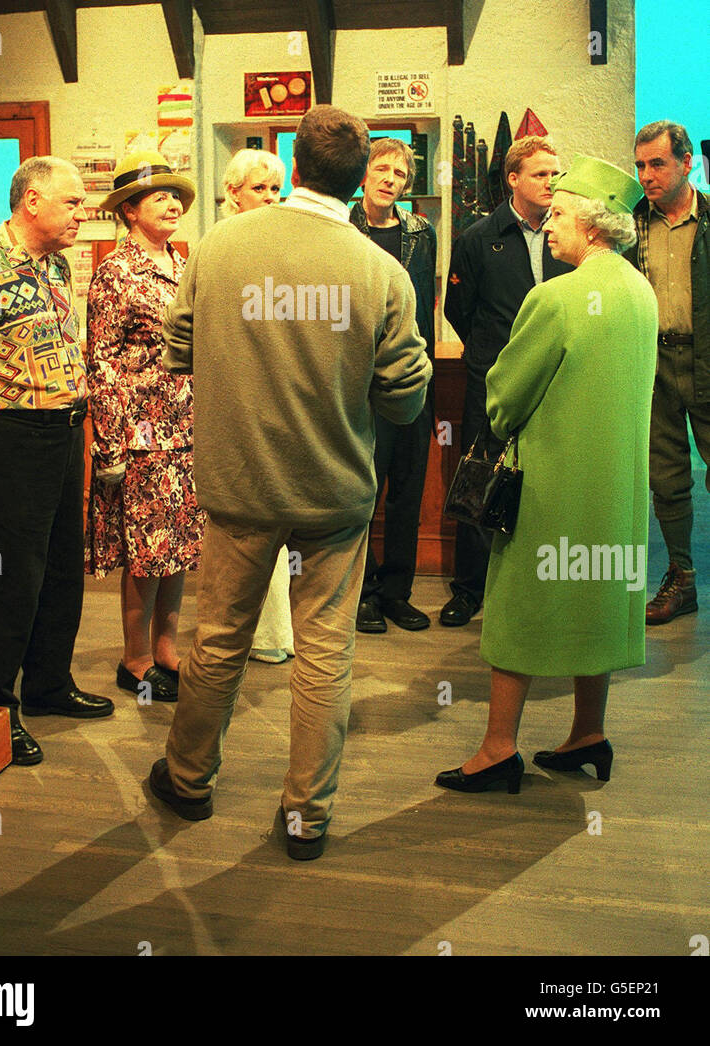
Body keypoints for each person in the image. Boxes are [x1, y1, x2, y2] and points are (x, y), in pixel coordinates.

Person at [149, 105, 431, 859]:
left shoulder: (218, 247)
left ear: (293, 165)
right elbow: (406, 397)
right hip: (334, 495)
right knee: (324, 656)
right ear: (355, 175)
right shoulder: (381, 270)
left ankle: (187, 779)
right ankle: (306, 814)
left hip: (239, 486)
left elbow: (177, 351)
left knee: (218, 641)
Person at [436, 157, 657, 794]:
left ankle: (497, 749)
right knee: (599, 599)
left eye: (559, 214)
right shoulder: (639, 291)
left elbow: (504, 399)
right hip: (614, 486)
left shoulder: (556, 298)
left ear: (592, 226)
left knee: (518, 608)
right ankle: (589, 733)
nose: (548, 225)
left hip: (550, 486)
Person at [0, 157, 113, 767]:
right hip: (8, 436)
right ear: (32, 201)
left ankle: (47, 684)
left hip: (64, 431)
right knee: (9, 577)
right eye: (72, 203)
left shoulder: (56, 265)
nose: (82, 214)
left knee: (61, 566)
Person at [86, 152, 206, 705]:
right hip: (140, 434)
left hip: (185, 425)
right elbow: (103, 361)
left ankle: (166, 648)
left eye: (176, 195)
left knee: (177, 547)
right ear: (130, 210)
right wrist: (109, 441)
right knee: (145, 551)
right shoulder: (115, 271)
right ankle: (134, 658)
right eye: (159, 196)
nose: (172, 203)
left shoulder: (182, 263)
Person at [442, 136, 571, 627]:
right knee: (481, 476)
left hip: (556, 379)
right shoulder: (479, 238)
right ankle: (470, 590)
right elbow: (459, 310)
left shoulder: (570, 234)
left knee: (547, 484)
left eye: (556, 174)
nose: (551, 182)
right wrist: (492, 352)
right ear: (513, 178)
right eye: (541, 174)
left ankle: (539, 588)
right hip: (493, 379)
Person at [349, 137, 436, 634]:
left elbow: (429, 301)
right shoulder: (343, 226)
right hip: (358, 381)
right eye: (380, 170)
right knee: (364, 490)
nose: (389, 180)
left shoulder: (421, 233)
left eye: (399, 175)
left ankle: (397, 592)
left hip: (410, 376)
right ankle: (362, 591)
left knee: (407, 489)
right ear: (363, 175)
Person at [630, 121, 709, 624]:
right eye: (640, 165)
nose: (646, 175)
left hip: (706, 359)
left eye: (657, 163)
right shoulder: (632, 224)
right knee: (667, 479)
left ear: (686, 163)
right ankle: (681, 579)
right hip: (654, 364)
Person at [222, 148, 294, 664]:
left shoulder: (279, 243)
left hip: (278, 397)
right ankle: (242, 635)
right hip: (234, 398)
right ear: (233, 194)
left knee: (276, 520)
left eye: (275, 190)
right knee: (244, 526)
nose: (270, 198)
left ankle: (271, 634)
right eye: (259, 189)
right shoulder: (221, 246)